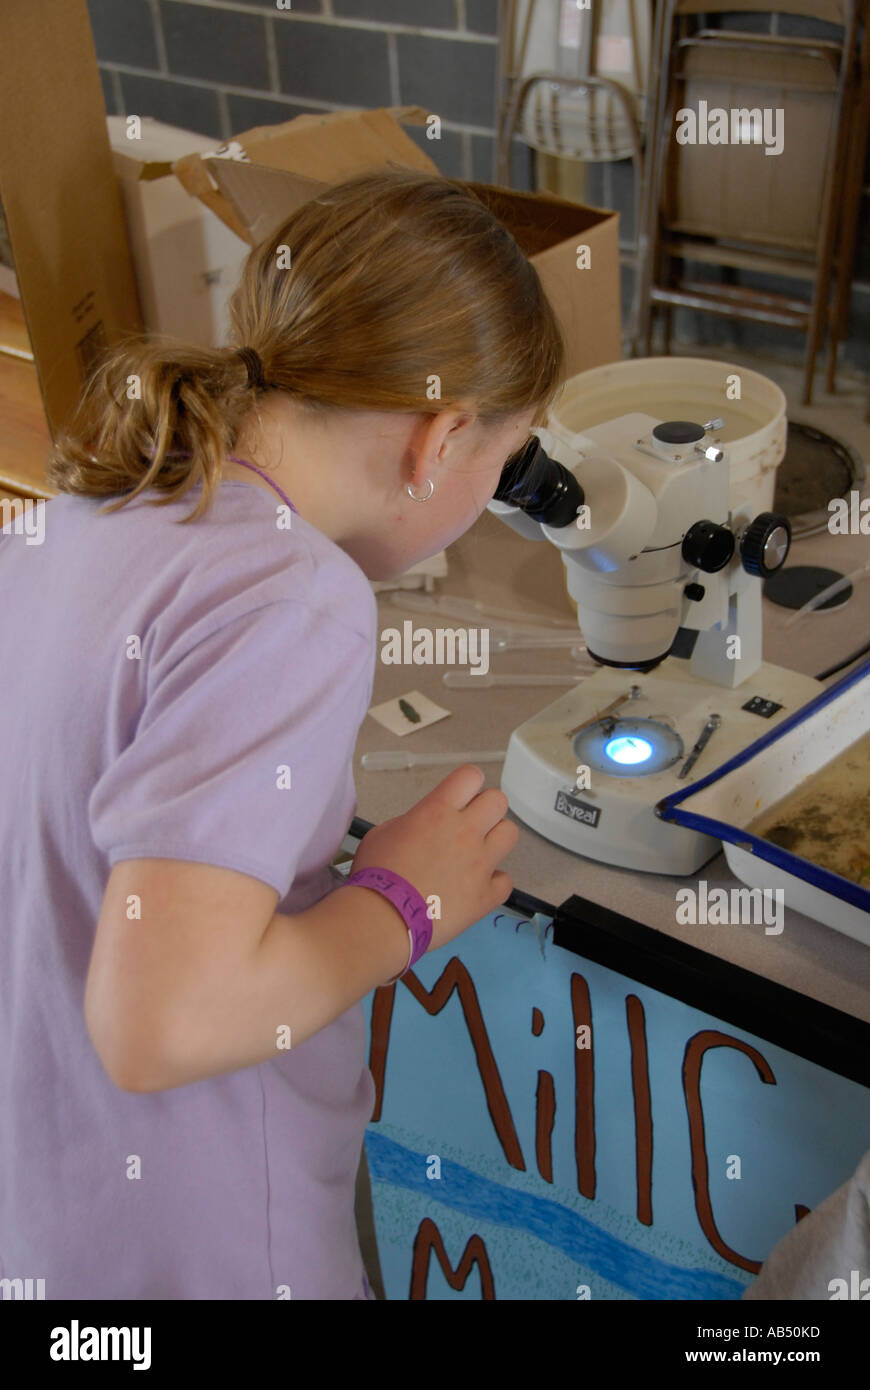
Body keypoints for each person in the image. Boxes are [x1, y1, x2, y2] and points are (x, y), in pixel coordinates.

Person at [0, 168, 565, 1300]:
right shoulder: (292, 596)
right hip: (203, 1241)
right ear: (440, 437)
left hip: (49, 1220)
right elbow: (161, 1021)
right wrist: (403, 900)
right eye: (502, 467)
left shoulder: (78, 519)